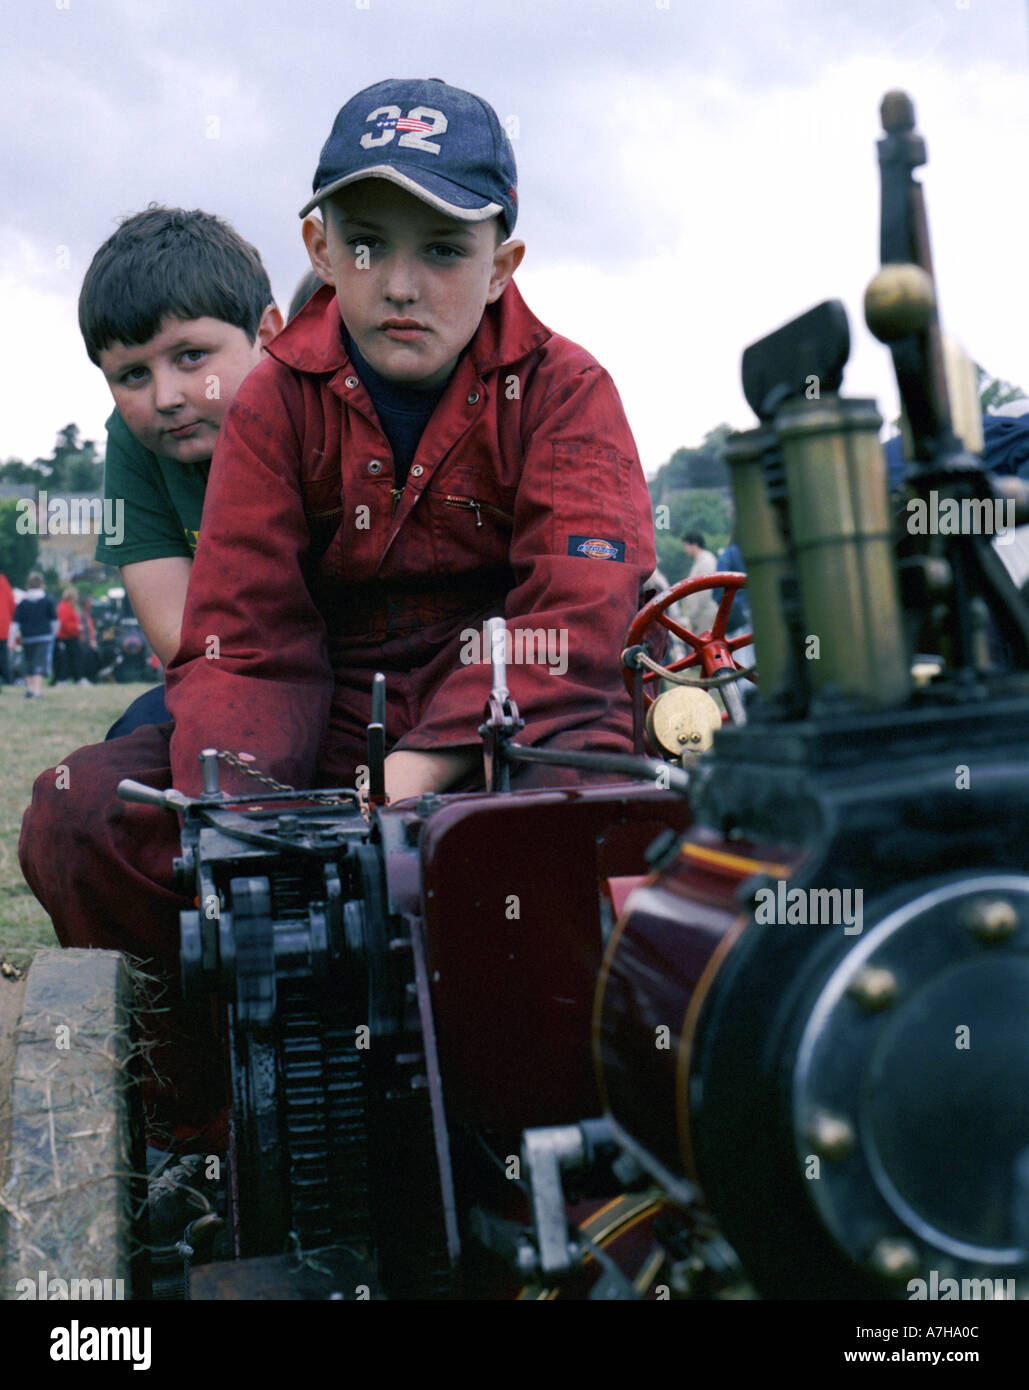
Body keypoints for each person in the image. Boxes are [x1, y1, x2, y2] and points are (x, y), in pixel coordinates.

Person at [20, 77, 655, 1147]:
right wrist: (260, 829)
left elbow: (576, 612)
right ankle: (223, 1125)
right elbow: (249, 639)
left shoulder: (566, 387)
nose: (399, 282)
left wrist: (417, 777)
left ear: (504, 264)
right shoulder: (273, 396)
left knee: (595, 835)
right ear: (319, 249)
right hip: (327, 728)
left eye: (444, 250)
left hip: (519, 720)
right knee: (79, 816)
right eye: (366, 245)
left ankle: (576, 1133)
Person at [79, 206, 283, 735]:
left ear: (267, 333)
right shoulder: (131, 441)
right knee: (131, 740)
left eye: (192, 356)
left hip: (365, 677)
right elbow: (181, 640)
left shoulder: (322, 409)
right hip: (238, 678)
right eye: (132, 374)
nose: (166, 398)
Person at [9, 573, 57, 699]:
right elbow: (55, 622)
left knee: (28, 663)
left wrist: (11, 640)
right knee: (39, 664)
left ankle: (29, 690)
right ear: (42, 584)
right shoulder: (47, 600)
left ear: (28, 585)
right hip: (44, 637)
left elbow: (14, 624)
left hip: (27, 637)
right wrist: (54, 634)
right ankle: (37, 691)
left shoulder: (23, 603)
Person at [678, 529, 719, 633]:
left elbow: (706, 591)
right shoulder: (701, 561)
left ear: (694, 545)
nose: (684, 550)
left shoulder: (706, 561)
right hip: (701, 616)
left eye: (685, 545)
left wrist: (694, 613)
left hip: (705, 615)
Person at [52, 584, 88, 685]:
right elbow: (64, 624)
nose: (76, 599)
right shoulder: (64, 608)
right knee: (72, 659)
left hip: (71, 637)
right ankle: (75, 678)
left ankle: (77, 678)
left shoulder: (68, 607)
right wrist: (77, 628)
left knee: (75, 658)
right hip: (67, 638)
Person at [0, 572, 15, 689]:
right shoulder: (3, 581)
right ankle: (7, 678)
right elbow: (11, 603)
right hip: (3, 624)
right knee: (3, 655)